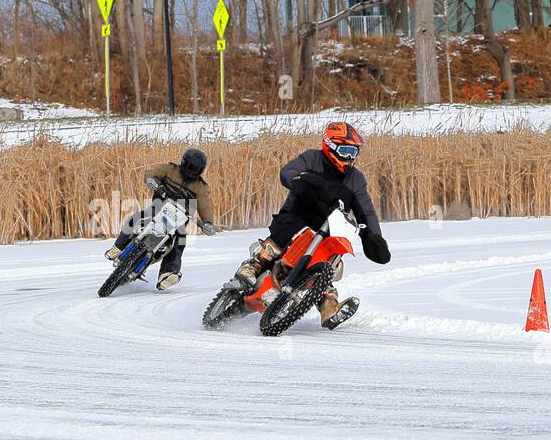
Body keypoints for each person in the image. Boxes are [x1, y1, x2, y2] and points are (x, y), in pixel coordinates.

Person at [233, 122, 390, 330]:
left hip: (327, 230)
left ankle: (329, 305)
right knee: (289, 228)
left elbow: (366, 210)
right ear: (330, 145)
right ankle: (253, 265)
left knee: (332, 258)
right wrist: (302, 179)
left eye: (354, 151)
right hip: (297, 216)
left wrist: (373, 236)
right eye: (345, 150)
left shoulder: (355, 180)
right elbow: (288, 172)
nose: (349, 157)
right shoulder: (311, 158)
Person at [105, 147, 217, 290]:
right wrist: (153, 181)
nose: (191, 171)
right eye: (189, 167)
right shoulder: (169, 169)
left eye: (196, 169)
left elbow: (205, 206)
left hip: (179, 221)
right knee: (136, 219)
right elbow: (150, 174)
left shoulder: (201, 187)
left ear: (201, 171)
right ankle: (118, 248)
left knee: (180, 241)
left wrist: (208, 223)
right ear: (183, 163)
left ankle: (168, 274)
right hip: (158, 208)